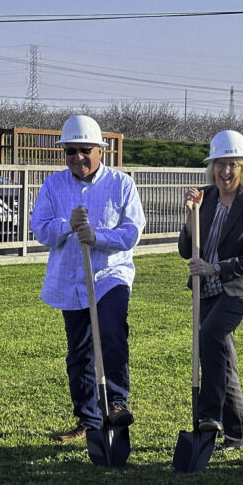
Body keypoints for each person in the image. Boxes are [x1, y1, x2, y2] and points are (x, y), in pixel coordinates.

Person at [32, 115, 146, 442]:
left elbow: (131, 232)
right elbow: (40, 229)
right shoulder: (54, 185)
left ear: (100, 150)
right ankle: (88, 419)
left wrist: (96, 236)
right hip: (71, 278)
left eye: (84, 150)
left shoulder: (121, 184)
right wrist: (67, 224)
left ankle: (116, 401)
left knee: (111, 331)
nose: (78, 158)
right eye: (71, 151)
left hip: (110, 275)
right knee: (79, 351)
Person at [178, 130, 243, 452]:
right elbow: (186, 249)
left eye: (232, 164)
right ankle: (236, 436)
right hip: (207, 290)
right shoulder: (204, 196)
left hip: (242, 289)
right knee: (221, 355)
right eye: (220, 164)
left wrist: (215, 268)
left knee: (211, 336)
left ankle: (209, 417)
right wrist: (191, 216)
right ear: (211, 166)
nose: (225, 171)